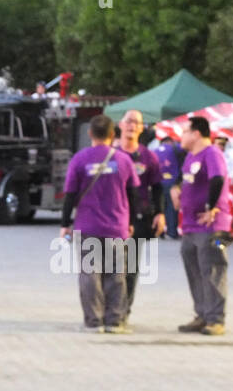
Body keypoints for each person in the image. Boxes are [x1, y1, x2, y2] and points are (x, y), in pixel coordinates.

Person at [60, 113, 142, 333]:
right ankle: (115, 321)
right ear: (113, 134)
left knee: (89, 274)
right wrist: (132, 222)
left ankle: (93, 321)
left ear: (90, 134)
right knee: (116, 274)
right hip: (117, 227)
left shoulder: (79, 159)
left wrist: (65, 224)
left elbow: (69, 194)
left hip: (87, 226)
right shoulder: (124, 160)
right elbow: (134, 194)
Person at [173, 116, 232, 336]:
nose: (182, 136)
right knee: (195, 271)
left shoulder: (212, 153)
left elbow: (218, 179)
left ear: (196, 133)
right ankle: (202, 314)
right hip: (190, 225)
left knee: (214, 269)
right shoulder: (190, 156)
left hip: (214, 226)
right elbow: (185, 180)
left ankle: (216, 319)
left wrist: (210, 205)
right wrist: (176, 190)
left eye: (185, 131)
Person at [113, 109, 165, 325]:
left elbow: (158, 186)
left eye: (137, 122)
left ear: (142, 128)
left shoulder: (148, 156)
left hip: (139, 218)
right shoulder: (110, 154)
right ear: (120, 125)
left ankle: (124, 311)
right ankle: (108, 310)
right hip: (113, 218)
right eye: (129, 121)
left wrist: (160, 213)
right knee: (109, 267)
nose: (132, 126)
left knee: (131, 269)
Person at [151, 131, 182, 239]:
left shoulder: (154, 151)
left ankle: (159, 232)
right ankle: (172, 232)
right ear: (170, 141)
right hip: (171, 182)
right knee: (171, 208)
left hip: (158, 182)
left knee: (160, 208)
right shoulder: (174, 148)